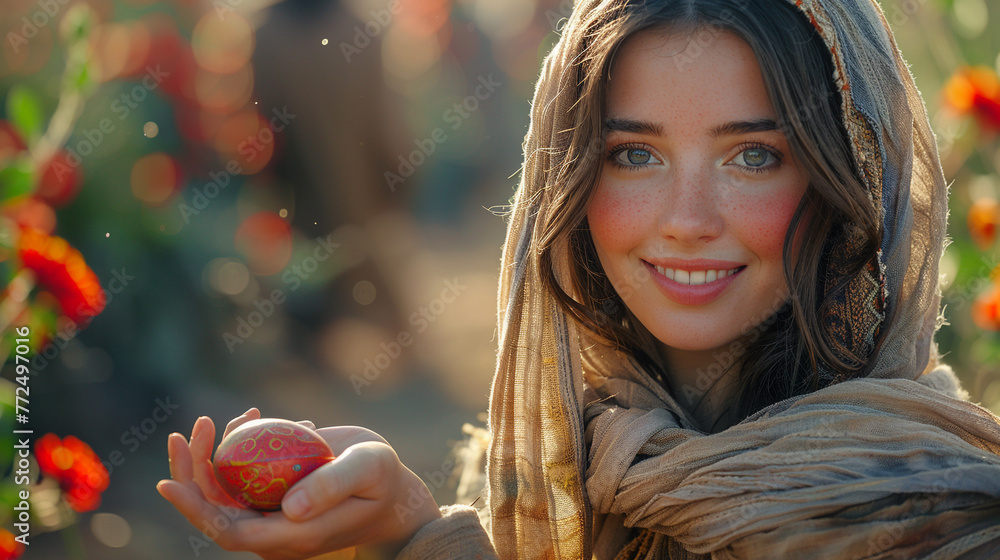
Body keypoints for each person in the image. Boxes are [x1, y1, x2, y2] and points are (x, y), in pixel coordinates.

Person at [157, 0, 1000, 558]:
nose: (687, 218)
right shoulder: (564, 460)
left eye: (755, 155)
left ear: (853, 177)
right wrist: (412, 529)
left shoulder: (934, 506)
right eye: (634, 154)